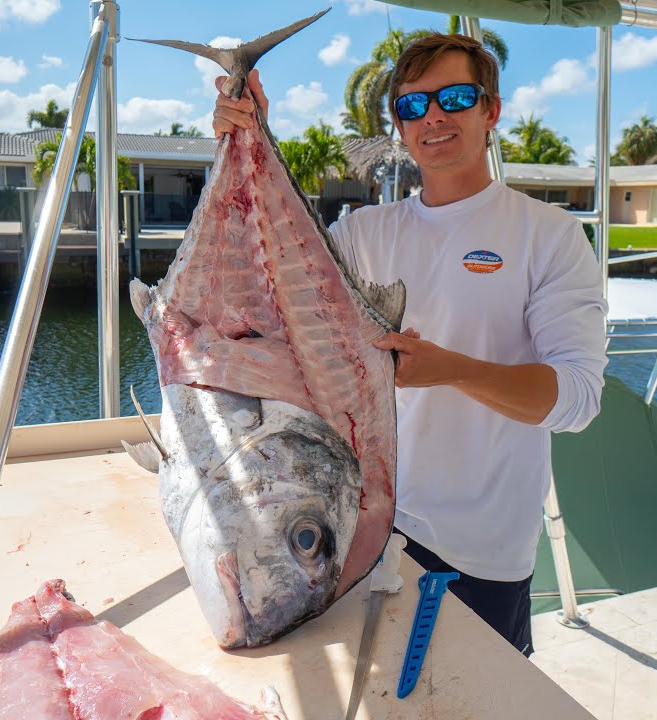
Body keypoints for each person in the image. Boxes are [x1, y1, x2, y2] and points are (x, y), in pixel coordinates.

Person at [212, 33, 607, 656]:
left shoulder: (549, 236)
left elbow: (578, 401)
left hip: (478, 545)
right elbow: (269, 303)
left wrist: (450, 369)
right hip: (358, 521)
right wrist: (249, 136)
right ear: (398, 124)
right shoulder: (362, 232)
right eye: (412, 105)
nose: (434, 117)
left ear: (491, 111)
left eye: (454, 97)